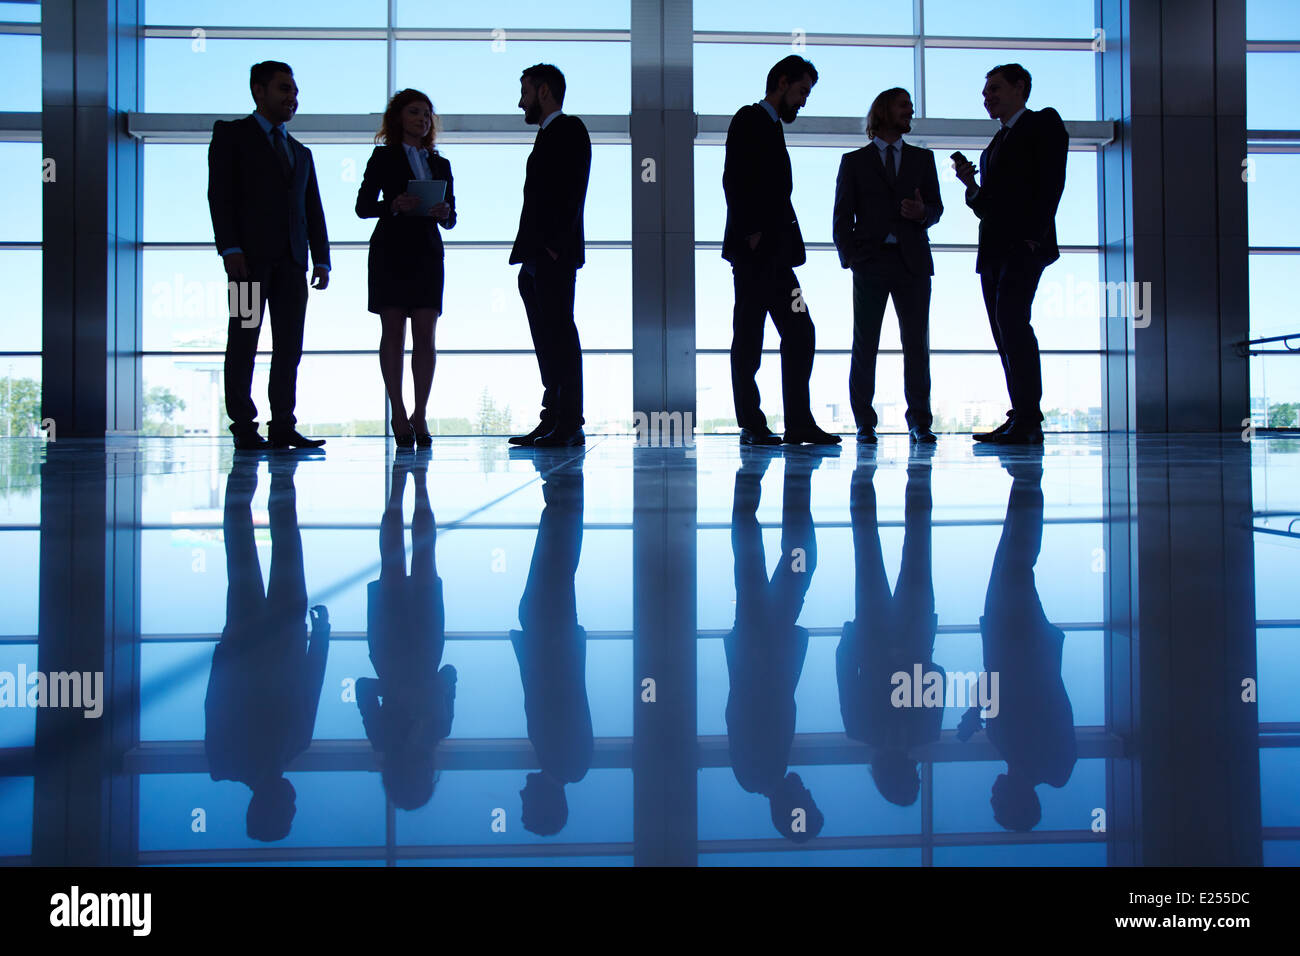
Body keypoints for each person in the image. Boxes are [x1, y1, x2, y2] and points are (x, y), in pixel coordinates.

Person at [205, 455, 330, 841]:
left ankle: (280, 474)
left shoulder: (296, 745)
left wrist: (322, 634)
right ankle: (245, 477)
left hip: (286, 635)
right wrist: (224, 651)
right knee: (240, 549)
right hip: (244, 640)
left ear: (273, 808)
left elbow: (311, 686)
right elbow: (216, 701)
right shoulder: (224, 761)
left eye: (288, 811)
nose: (294, 804)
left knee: (286, 545)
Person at [208, 60, 330, 450]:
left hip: (293, 264)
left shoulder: (301, 152)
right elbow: (220, 195)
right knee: (243, 340)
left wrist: (322, 258)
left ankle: (282, 425)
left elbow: (313, 209)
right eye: (283, 89)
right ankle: (244, 426)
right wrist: (230, 248)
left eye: (294, 90)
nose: (292, 97)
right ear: (258, 91)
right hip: (246, 263)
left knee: (289, 346)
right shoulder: (231, 135)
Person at [723, 55, 840, 447]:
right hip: (756, 254)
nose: (804, 101)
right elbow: (734, 178)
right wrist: (751, 233)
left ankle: (795, 422)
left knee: (798, 329)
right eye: (802, 91)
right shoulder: (749, 119)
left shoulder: (772, 128)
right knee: (752, 336)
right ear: (782, 81)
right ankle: (753, 424)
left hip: (773, 256)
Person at [953, 63, 1068, 445]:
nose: (987, 98)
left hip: (1023, 246)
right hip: (993, 253)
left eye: (995, 89)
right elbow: (987, 206)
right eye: (985, 93)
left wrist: (1034, 237)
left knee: (1013, 324)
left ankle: (1029, 420)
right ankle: (1021, 414)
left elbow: (1052, 182)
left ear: (1021, 87)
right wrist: (971, 184)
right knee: (1004, 331)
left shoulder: (1043, 123)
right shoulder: (993, 147)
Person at [724, 447, 827, 842]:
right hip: (756, 643)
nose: (809, 792)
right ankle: (754, 476)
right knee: (750, 558)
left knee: (797, 559)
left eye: (808, 801)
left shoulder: (764, 770)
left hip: (767, 644)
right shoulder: (757, 773)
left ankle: (792, 475)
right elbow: (738, 713)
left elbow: (763, 705)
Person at [832, 88, 943, 445]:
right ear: (883, 112)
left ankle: (920, 422)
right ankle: (864, 422)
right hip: (871, 262)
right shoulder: (853, 162)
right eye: (903, 106)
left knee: (916, 343)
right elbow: (841, 217)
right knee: (865, 343)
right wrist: (851, 257)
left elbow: (937, 208)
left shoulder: (923, 160)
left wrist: (923, 213)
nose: (910, 111)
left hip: (912, 263)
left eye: (910, 106)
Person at [356, 90, 457, 448]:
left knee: (426, 336)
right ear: (398, 117)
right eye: (415, 112)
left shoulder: (440, 163)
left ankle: (420, 412)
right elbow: (363, 206)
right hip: (392, 250)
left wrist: (445, 213)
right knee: (393, 332)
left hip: (427, 252)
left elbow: (453, 218)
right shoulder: (383, 157)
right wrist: (394, 204)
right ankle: (398, 412)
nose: (422, 119)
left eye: (427, 114)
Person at [358, 452, 457, 810]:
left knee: (421, 557)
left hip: (419, 646)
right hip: (392, 649)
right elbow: (365, 689)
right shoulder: (385, 740)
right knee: (397, 559)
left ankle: (416, 485)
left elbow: (449, 675)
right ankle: (405, 488)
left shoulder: (435, 731)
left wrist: (415, 693)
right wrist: (402, 691)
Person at [507, 64, 592, 448]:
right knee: (547, 338)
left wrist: (554, 245)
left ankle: (569, 421)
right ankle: (553, 417)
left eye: (524, 91)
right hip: (537, 257)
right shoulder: (546, 136)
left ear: (543, 92)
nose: (520, 100)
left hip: (553, 253)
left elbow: (573, 188)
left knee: (559, 334)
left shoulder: (569, 129)